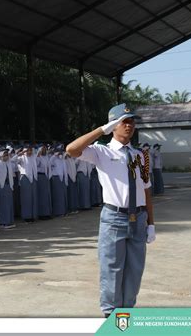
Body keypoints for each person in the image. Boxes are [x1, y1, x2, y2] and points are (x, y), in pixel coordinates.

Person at [66, 103, 156, 317]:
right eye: (124, 122)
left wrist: (151, 223)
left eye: (132, 121)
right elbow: (71, 149)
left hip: (139, 217)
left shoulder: (140, 156)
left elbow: (147, 190)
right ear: (113, 125)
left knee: (134, 271)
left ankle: (126, 314)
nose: (130, 125)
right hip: (115, 218)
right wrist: (101, 130)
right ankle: (110, 315)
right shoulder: (101, 152)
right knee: (112, 270)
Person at [15, 145, 38, 223]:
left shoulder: (33, 157)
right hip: (25, 178)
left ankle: (33, 215)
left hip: (33, 178)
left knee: (33, 197)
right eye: (27, 150)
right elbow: (13, 160)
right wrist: (20, 153)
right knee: (26, 198)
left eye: (30, 150)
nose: (29, 152)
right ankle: (26, 216)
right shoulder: (21, 158)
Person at [0, 148, 15, 229]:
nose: (6, 156)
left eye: (7, 155)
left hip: (8, 185)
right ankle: (3, 222)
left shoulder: (9, 163)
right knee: (3, 204)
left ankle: (9, 221)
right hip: (1, 185)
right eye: (5, 154)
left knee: (9, 204)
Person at [49, 146, 68, 217]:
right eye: (58, 151)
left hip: (63, 178)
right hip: (56, 177)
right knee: (58, 195)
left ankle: (64, 211)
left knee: (63, 195)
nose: (60, 153)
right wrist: (54, 156)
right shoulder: (53, 159)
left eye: (60, 152)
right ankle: (58, 212)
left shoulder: (62, 159)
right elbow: (49, 164)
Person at [36, 144, 52, 218]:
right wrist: (37, 157)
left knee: (47, 196)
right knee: (42, 196)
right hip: (40, 176)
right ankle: (42, 214)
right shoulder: (38, 158)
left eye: (45, 149)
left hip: (46, 176)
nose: (44, 150)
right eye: (42, 149)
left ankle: (47, 213)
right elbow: (36, 165)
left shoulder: (46, 157)